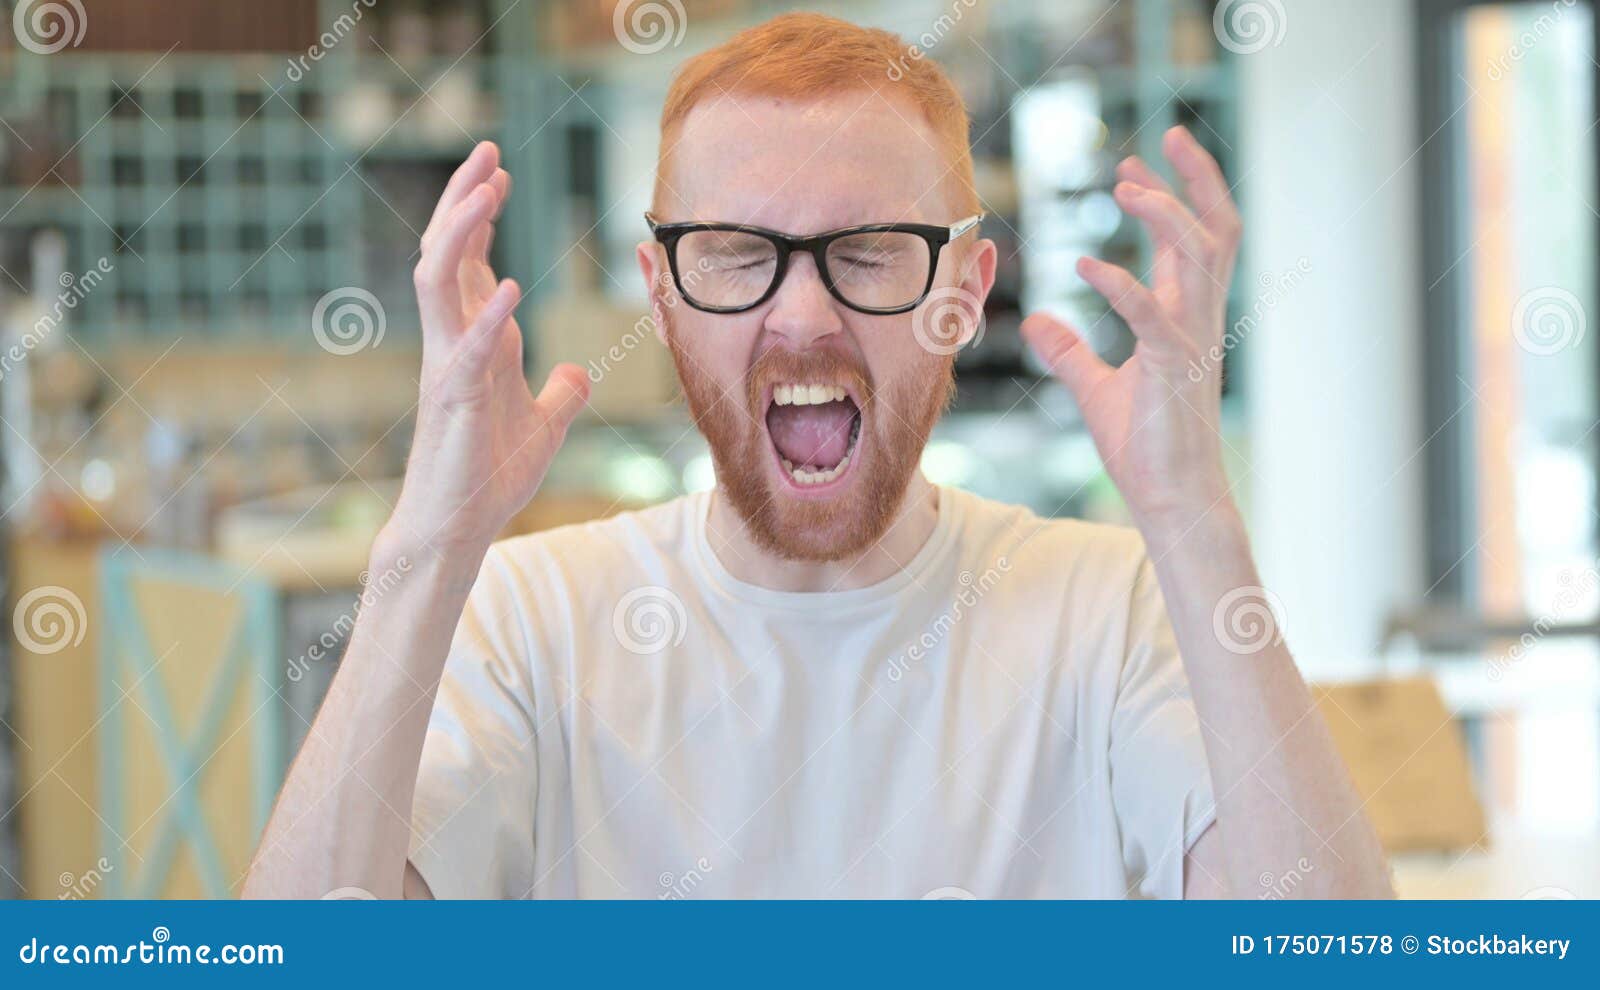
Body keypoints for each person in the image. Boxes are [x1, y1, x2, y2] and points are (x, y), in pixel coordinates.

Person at [244, 13, 1390, 899]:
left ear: (963, 293)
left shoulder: (1111, 611)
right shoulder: (528, 619)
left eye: (872, 251)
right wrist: (427, 551)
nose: (801, 318)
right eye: (738, 254)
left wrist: (1195, 524)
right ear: (665, 297)